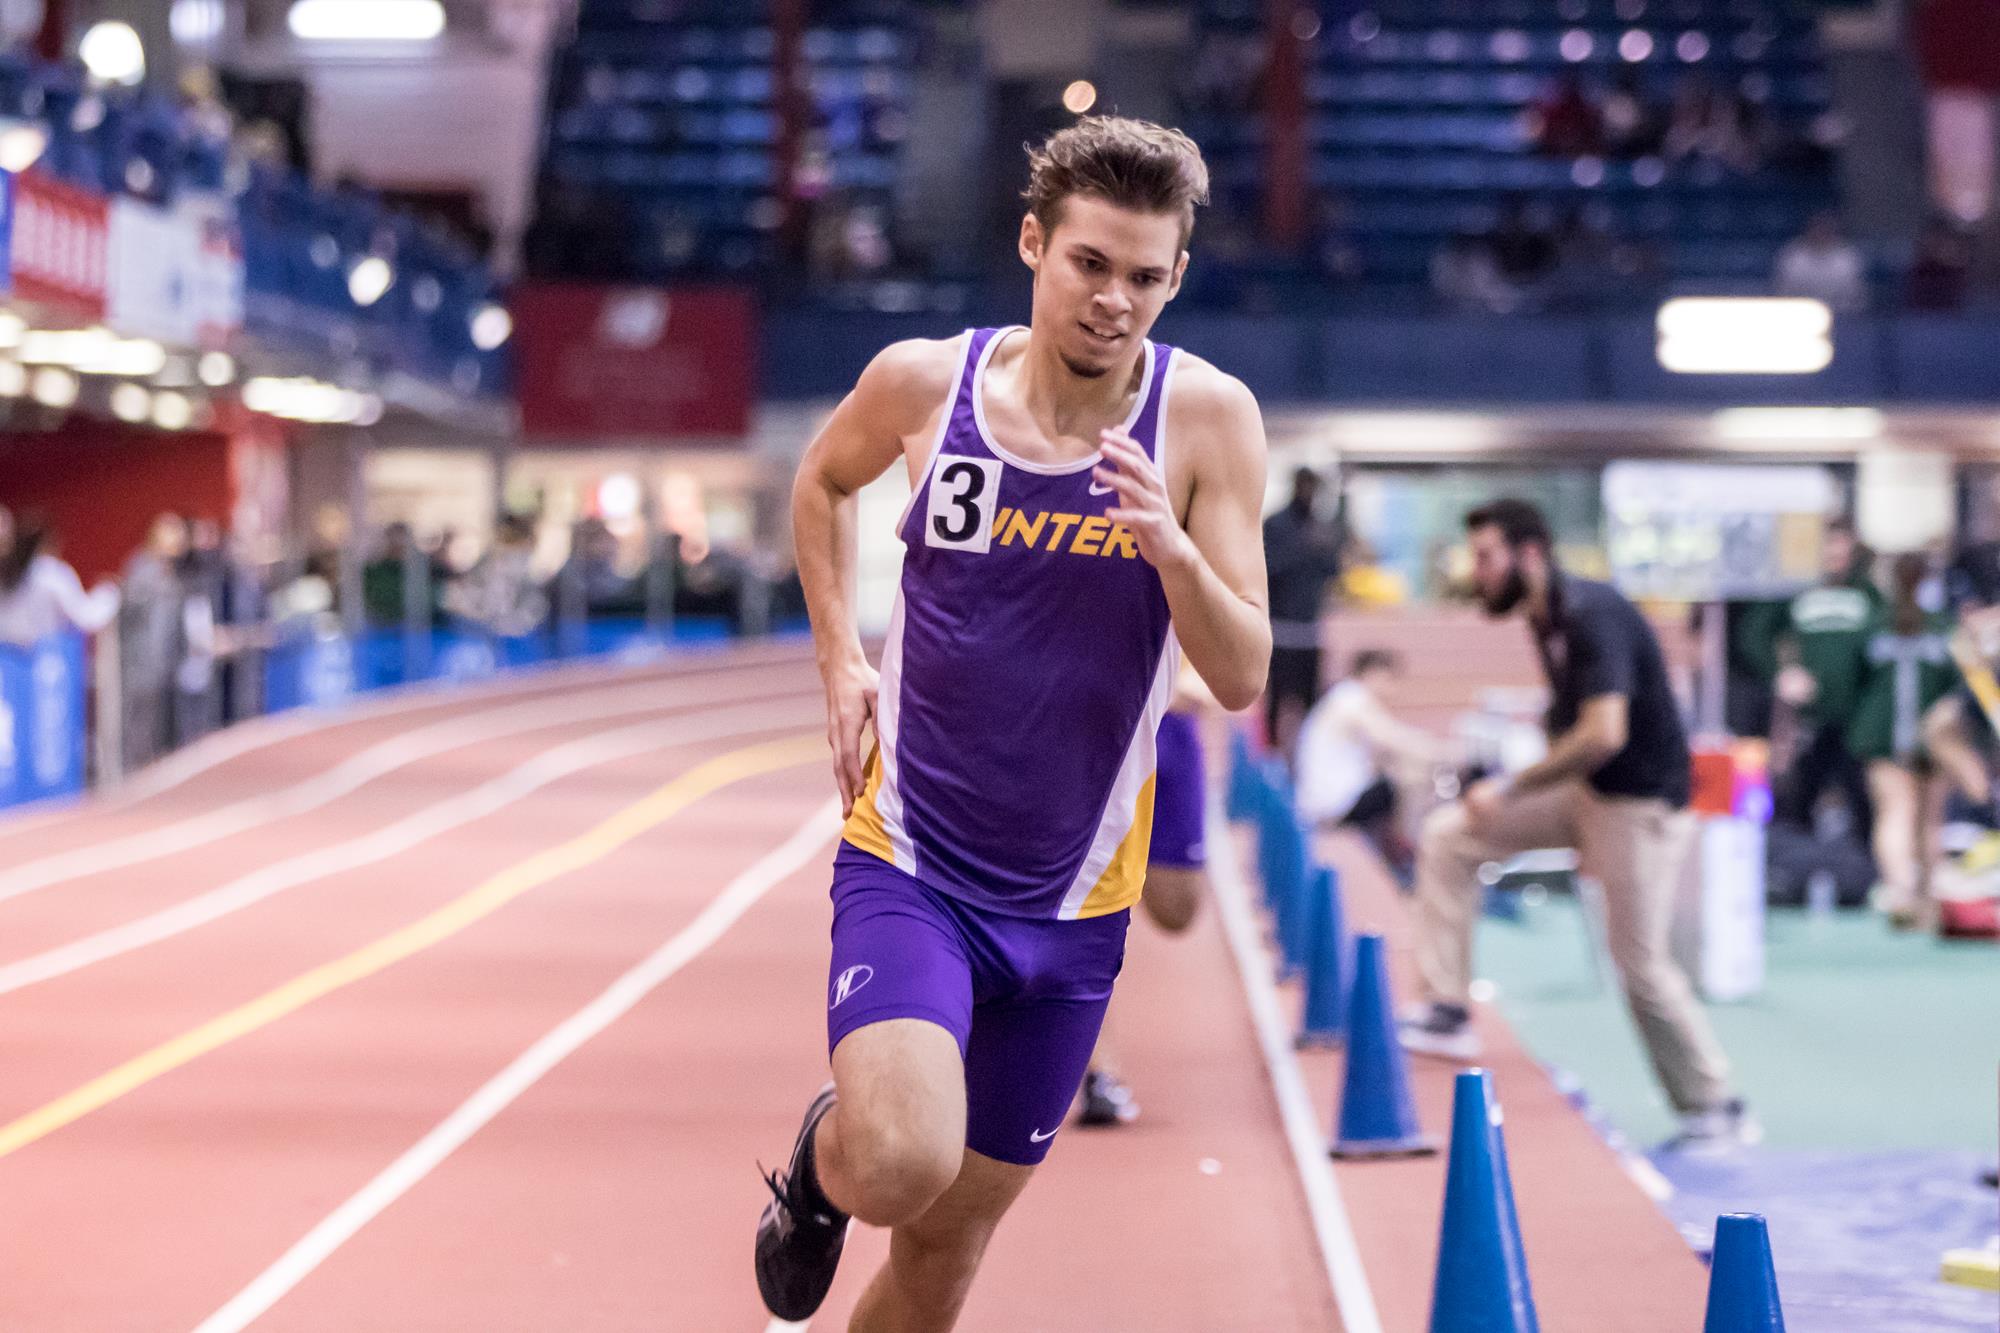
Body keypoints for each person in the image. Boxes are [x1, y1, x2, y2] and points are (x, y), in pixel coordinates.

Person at [759, 115, 1271, 1328]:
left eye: (1145, 277)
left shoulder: (1206, 423)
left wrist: (1172, 551)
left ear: (1176, 279)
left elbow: (1242, 669)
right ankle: (825, 1158)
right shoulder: (925, 386)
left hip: (1075, 909)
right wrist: (839, 656)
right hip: (916, 865)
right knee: (899, 1164)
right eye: (1090, 264)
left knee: (942, 1259)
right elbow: (823, 480)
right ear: (1034, 244)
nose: (1114, 301)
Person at [1400, 499, 1755, 1153]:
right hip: (1587, 794)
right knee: (1451, 835)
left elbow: (1604, 733)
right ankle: (1448, 1008)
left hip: (1638, 807)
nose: (1475, 572)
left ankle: (1717, 1103)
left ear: (1529, 553)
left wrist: (1509, 784)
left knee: (1639, 963)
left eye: (1486, 556)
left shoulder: (1593, 613)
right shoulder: (1548, 617)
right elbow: (1576, 727)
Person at [1075, 664, 1219, 1127]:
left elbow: (1216, 686)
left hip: (1165, 736)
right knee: (1082, 913)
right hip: (1081, 731)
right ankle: (1099, 1073)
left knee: (1178, 912)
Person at [1849, 553, 1959, 929]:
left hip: (1887, 735)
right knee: (1928, 821)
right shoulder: (1943, 628)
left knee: (1895, 814)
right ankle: (1925, 899)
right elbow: (1957, 690)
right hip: (1931, 738)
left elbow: (1852, 683)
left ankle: (1901, 894)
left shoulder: (1873, 626)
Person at [1758, 518, 1881, 841]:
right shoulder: (1796, 592)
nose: (1835, 554)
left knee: (1862, 798)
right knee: (1800, 796)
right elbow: (1754, 633)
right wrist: (1780, 672)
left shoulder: (1867, 594)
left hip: (1857, 718)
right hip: (1810, 717)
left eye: (1842, 546)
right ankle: (1796, 870)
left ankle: (1862, 873)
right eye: (1829, 545)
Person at [1295, 649, 1455, 881]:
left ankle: (1404, 851)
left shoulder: (1344, 697)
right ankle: (1409, 853)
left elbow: (1388, 745)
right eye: (1390, 679)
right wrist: (1445, 751)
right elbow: (1393, 738)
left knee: (1404, 771)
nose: (1394, 689)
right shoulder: (1352, 700)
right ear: (1372, 674)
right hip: (1332, 805)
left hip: (1326, 800)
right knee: (1409, 779)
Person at [1262, 466, 1341, 761]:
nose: (1309, 494)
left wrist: (1324, 549)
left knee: (1311, 702)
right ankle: (1271, 763)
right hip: (1281, 630)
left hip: (1310, 631)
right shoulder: (1276, 524)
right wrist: (1303, 550)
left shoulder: (1323, 528)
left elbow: (1332, 571)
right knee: (1275, 701)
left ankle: (1307, 760)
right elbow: (1268, 569)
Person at [0, 510, 119, 647]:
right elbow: (86, 617)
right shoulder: (50, 572)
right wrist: (108, 592)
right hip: (43, 661)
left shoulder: (41, 573)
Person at [1773, 212, 1868, 312]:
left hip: (1844, 316)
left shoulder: (1848, 257)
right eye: (1817, 227)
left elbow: (1856, 297)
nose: (1821, 232)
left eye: (1825, 228)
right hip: (1799, 314)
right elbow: (1782, 294)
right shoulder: (1792, 255)